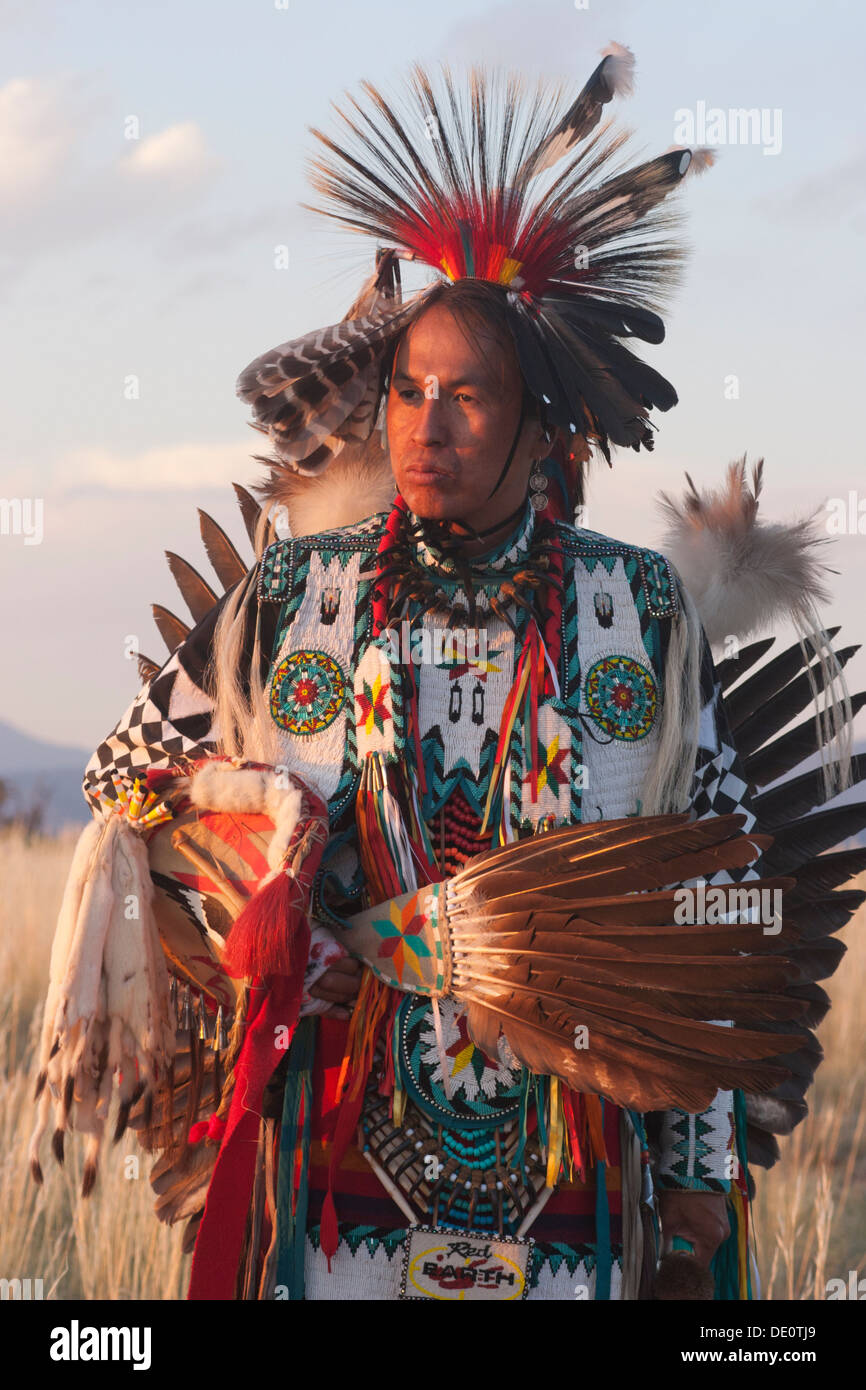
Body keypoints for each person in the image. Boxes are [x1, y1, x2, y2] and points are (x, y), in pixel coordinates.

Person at [32, 48, 861, 1302]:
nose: (427, 423)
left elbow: (715, 893)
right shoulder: (300, 594)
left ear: (540, 425)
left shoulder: (630, 612)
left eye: (465, 397)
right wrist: (263, 812)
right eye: (409, 392)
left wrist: (696, 1185)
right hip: (332, 1134)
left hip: (573, 1144)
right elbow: (121, 770)